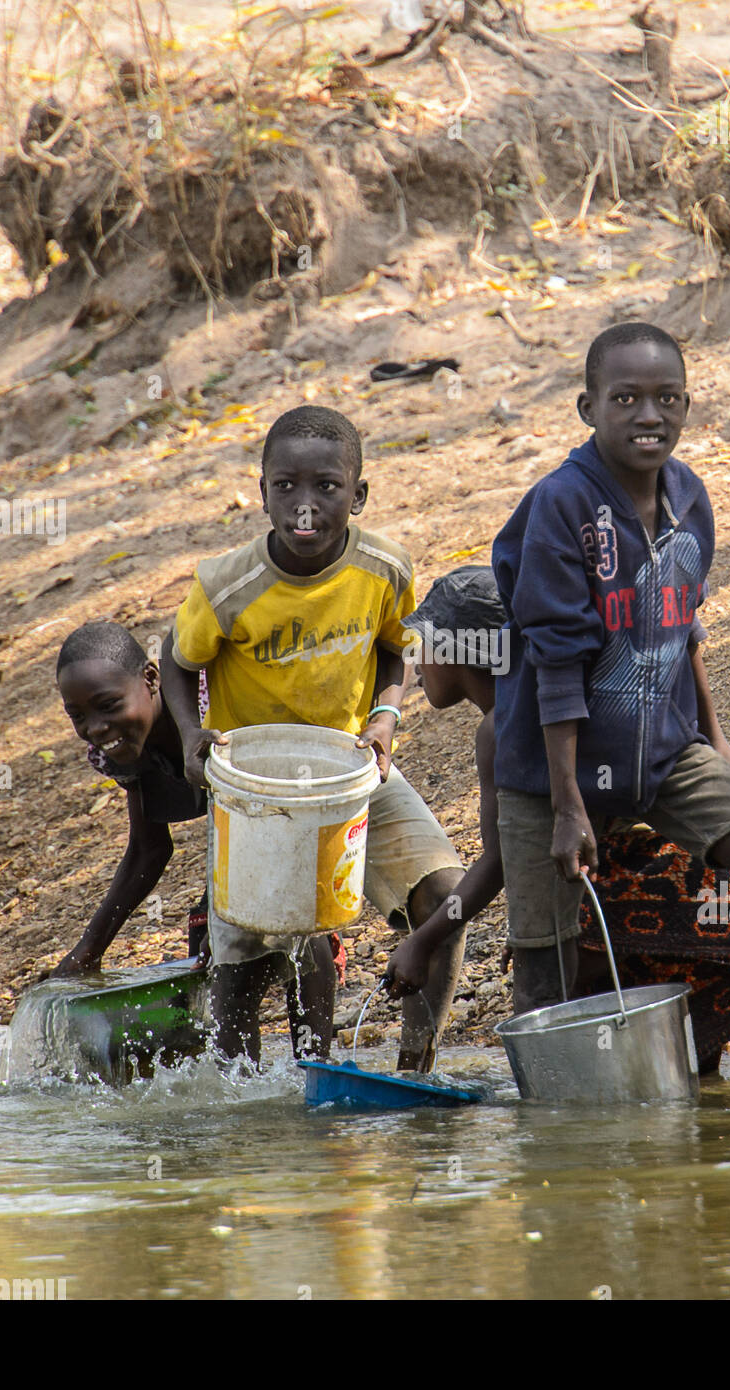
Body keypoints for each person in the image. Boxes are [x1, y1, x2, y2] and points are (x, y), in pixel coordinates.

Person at [490, 322, 730, 1085]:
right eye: (624, 398)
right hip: (551, 771)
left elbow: (681, 626)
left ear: (688, 405)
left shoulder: (690, 498)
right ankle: (554, 1122)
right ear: (587, 407)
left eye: (666, 398)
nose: (647, 415)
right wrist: (566, 805)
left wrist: (716, 744)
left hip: (663, 748)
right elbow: (556, 662)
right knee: (546, 963)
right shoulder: (561, 506)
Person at [383, 567, 730, 1074]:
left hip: (622, 909)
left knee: (562, 1009)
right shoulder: (574, 691)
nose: (414, 663)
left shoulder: (499, 729)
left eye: (424, 644)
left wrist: (423, 940)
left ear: (463, 650)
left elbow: (502, 861)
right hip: (713, 903)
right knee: (683, 1073)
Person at [161, 404, 465, 1070]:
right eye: (285, 486)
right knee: (246, 954)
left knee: (446, 896)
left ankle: (415, 1071)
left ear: (358, 495)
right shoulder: (227, 584)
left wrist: (386, 715)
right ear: (262, 489)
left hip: (351, 768)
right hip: (256, 786)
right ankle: (240, 1096)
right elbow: (178, 661)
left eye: (326, 487)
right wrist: (191, 737)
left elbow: (395, 646)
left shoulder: (384, 567)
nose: (305, 506)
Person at [52, 621, 208, 977]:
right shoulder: (117, 751)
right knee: (206, 940)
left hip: (297, 815)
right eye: (78, 716)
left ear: (151, 680)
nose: (96, 728)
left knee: (230, 934)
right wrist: (89, 950)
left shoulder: (210, 713)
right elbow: (149, 849)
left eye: (108, 705)